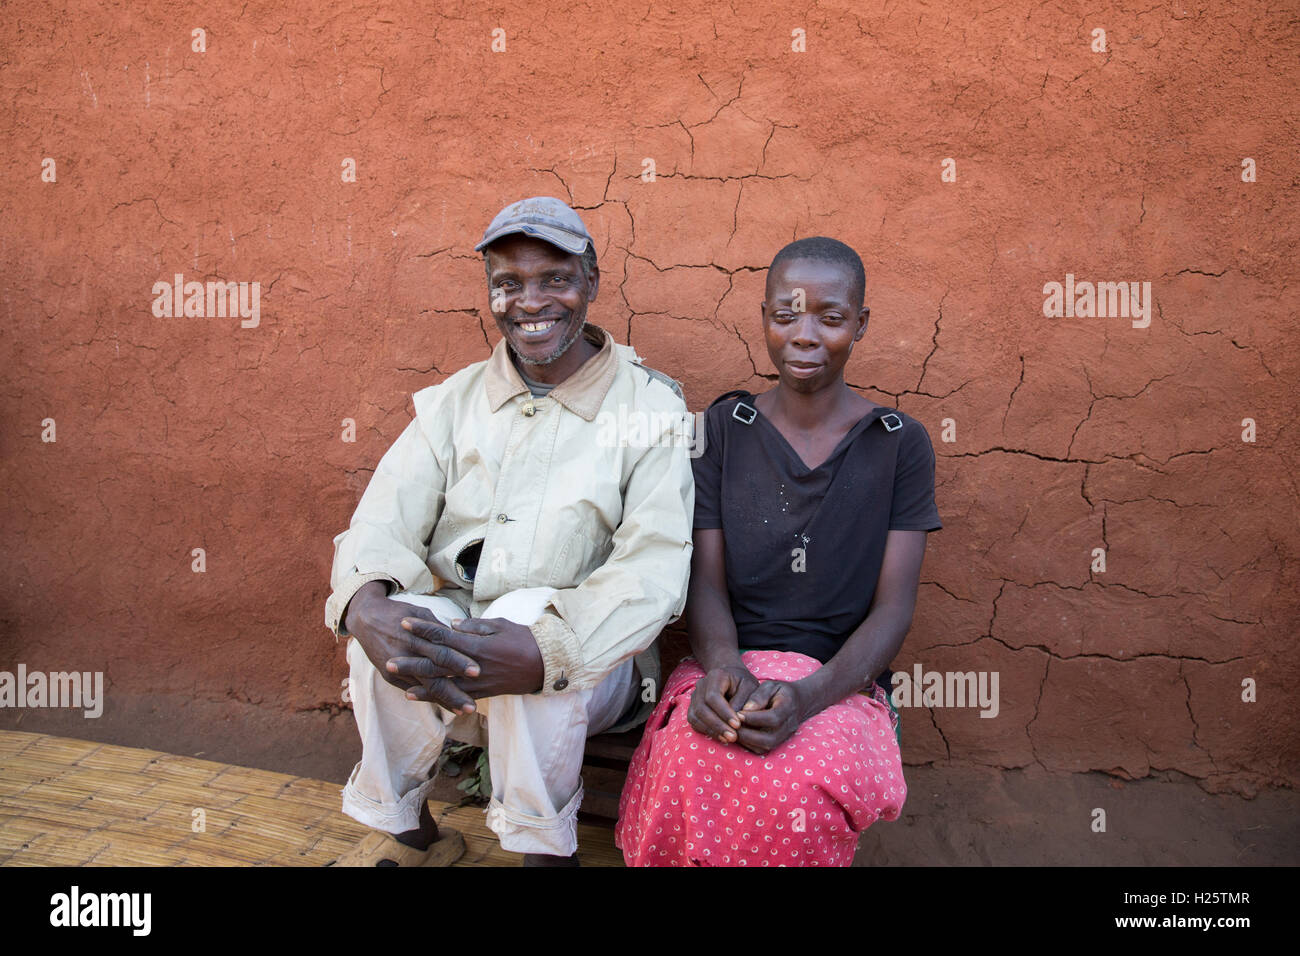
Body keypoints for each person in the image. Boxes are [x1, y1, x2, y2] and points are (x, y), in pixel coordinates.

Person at [325, 196, 694, 866]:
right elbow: (381, 517)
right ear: (491, 295)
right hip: (456, 661)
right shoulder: (455, 402)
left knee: (529, 617)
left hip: (591, 671)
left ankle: (543, 853)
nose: (531, 301)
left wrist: (546, 648)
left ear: (590, 281)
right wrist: (365, 605)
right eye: (508, 283)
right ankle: (408, 834)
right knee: (395, 616)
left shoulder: (648, 407)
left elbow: (656, 566)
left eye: (555, 278)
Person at [615, 236, 942, 866]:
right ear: (764, 317)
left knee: (803, 782)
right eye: (785, 314)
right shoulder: (721, 432)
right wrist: (723, 670)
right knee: (689, 757)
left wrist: (810, 698)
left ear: (861, 324)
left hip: (842, 681)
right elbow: (705, 583)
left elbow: (893, 610)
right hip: (728, 666)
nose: (805, 335)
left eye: (831, 317)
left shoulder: (899, 444)